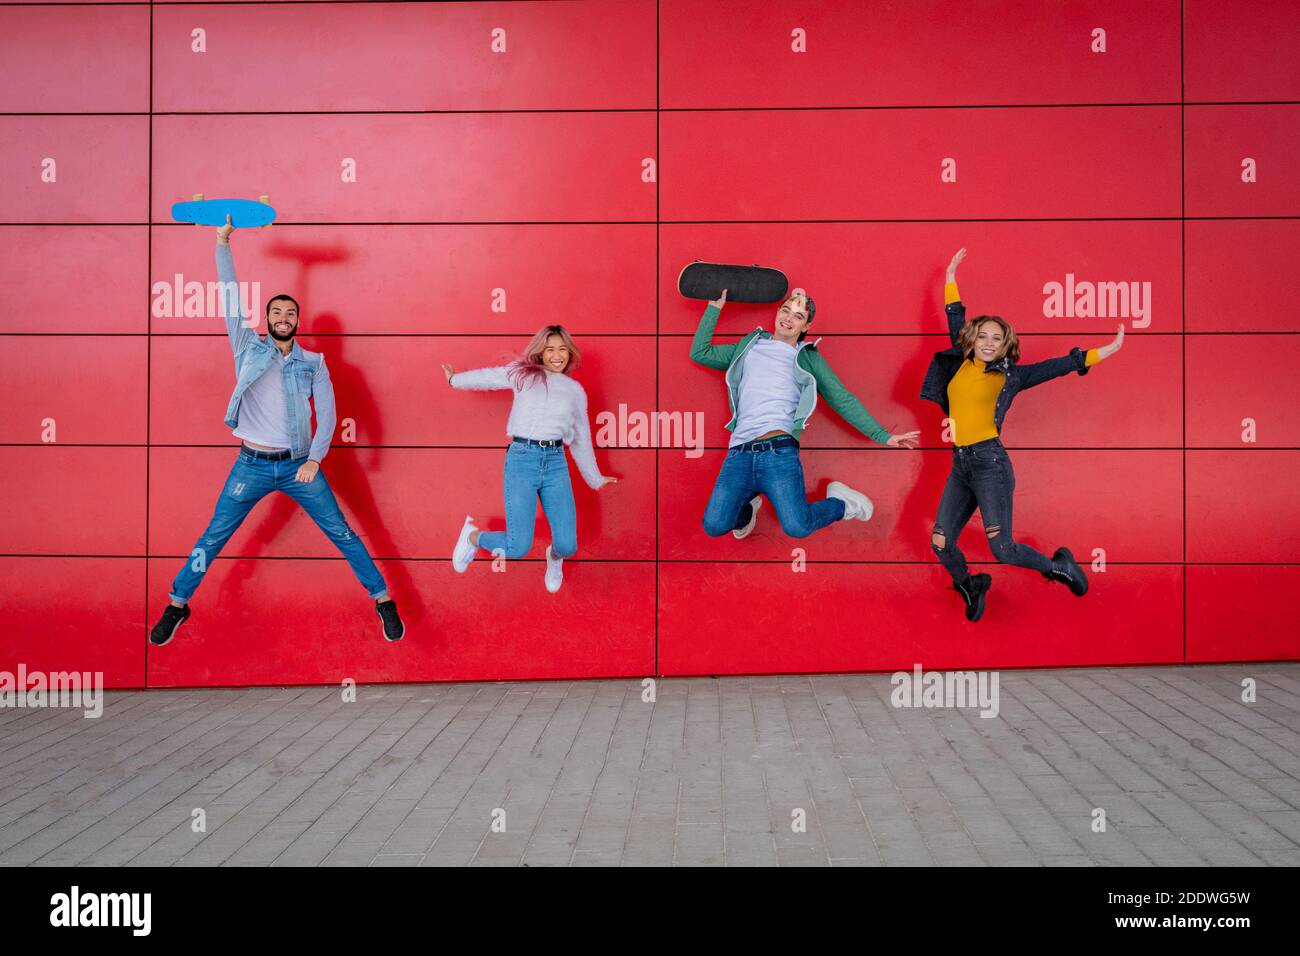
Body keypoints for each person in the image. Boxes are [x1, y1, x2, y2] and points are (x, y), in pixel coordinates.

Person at [149, 215, 404, 645]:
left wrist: (316, 460)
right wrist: (222, 243)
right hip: (249, 465)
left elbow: (328, 413)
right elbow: (229, 296)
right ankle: (177, 603)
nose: (283, 317)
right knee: (212, 537)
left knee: (342, 532)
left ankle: (382, 599)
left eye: (290, 312)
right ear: (267, 319)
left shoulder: (314, 363)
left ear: (297, 322)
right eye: (276, 312)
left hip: (298, 466)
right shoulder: (247, 346)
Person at [920, 247, 1124, 622]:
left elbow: (1058, 366)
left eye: (996, 338)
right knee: (941, 542)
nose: (987, 342)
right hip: (961, 465)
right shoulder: (962, 362)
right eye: (982, 336)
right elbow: (955, 317)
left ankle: (1058, 567)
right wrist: (950, 277)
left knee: (1003, 549)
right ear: (973, 339)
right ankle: (970, 584)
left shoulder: (1011, 376)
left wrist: (1100, 353)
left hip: (990, 465)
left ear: (1004, 344)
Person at [692, 288, 919, 541]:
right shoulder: (749, 347)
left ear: (806, 325)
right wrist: (714, 308)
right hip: (739, 453)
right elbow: (700, 353)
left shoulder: (805, 357)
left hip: (778, 453)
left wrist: (882, 435)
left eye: (798, 316)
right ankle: (745, 510)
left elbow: (841, 397)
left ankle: (842, 504)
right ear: (777, 312)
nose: (788, 318)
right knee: (714, 526)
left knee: (797, 527)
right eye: (786, 310)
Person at [443, 325, 616, 593]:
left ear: (569, 353)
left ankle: (554, 558)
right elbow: (488, 378)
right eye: (550, 350)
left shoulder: (575, 391)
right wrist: (454, 380)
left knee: (568, 545)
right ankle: (473, 537)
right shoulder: (522, 375)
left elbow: (581, 438)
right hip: (522, 460)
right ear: (541, 353)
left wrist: (594, 477)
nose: (557, 355)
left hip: (556, 462)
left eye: (562, 349)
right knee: (517, 547)